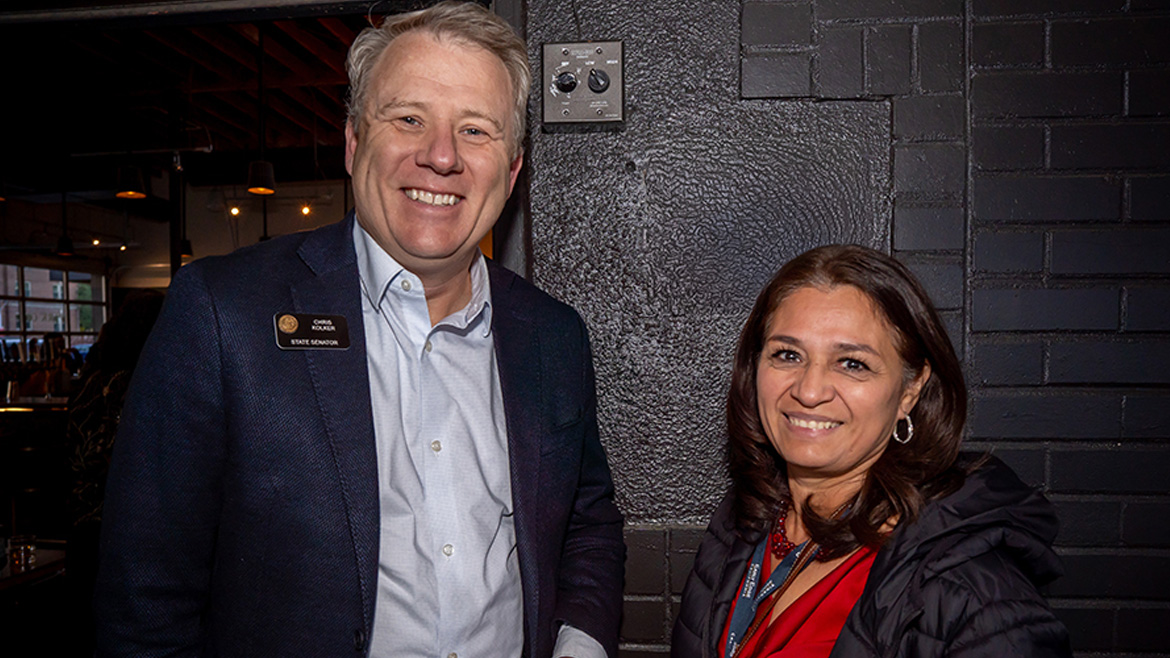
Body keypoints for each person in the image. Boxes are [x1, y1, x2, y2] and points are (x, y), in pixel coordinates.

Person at [94, 3, 625, 657]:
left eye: (476, 130)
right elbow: (144, 599)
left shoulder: (554, 336)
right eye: (408, 119)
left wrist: (580, 643)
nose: (440, 156)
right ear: (352, 141)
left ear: (512, 172)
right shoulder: (221, 314)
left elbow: (585, 517)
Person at [671, 245, 1071, 658]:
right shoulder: (745, 520)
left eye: (852, 364)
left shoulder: (969, 586)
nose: (808, 391)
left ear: (910, 389)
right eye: (787, 355)